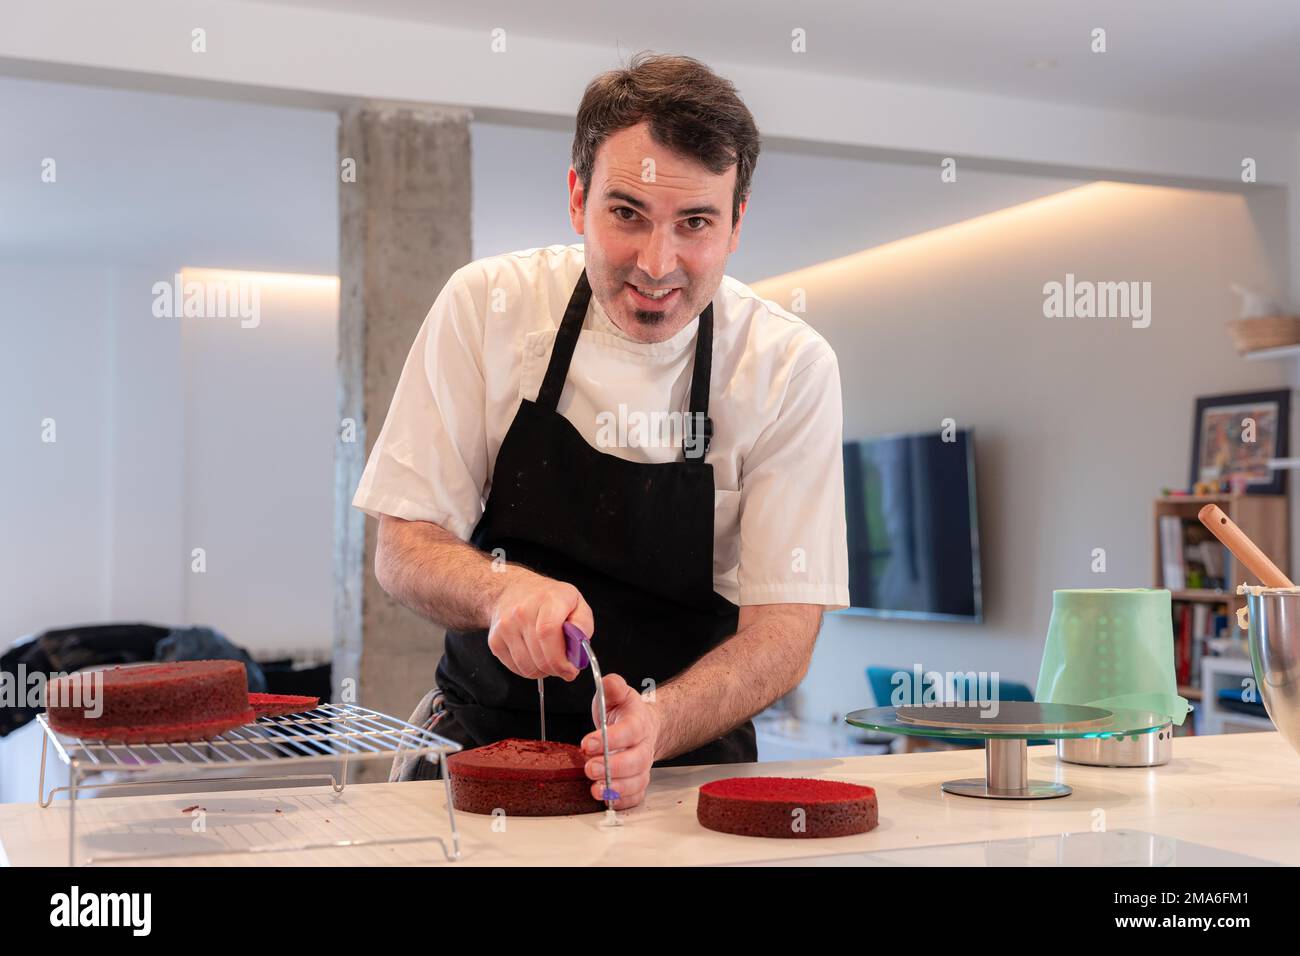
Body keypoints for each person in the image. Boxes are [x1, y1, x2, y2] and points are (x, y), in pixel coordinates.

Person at [354, 52, 849, 809]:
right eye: (627, 214)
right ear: (577, 197)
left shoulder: (789, 367)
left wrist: (659, 722)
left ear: (737, 223)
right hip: (479, 758)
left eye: (695, 223)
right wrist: (498, 590)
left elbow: (785, 629)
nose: (658, 264)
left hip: (688, 773)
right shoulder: (486, 306)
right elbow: (402, 547)